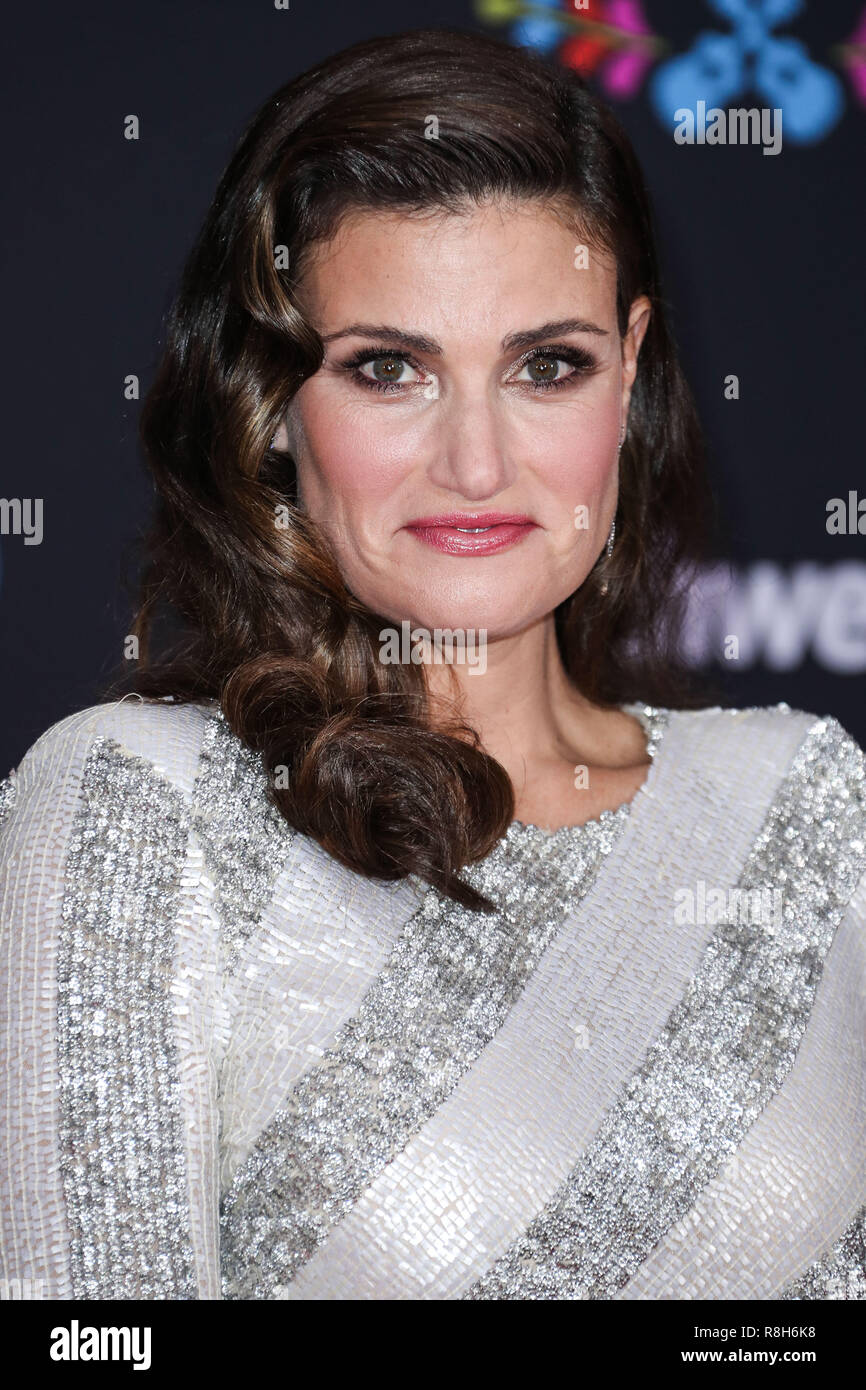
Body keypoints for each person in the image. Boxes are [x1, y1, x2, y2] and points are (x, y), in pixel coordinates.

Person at [1, 26, 864, 1302]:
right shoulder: (136, 805)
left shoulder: (807, 801)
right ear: (273, 401)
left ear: (628, 374)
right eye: (388, 369)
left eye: (546, 365)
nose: (474, 463)